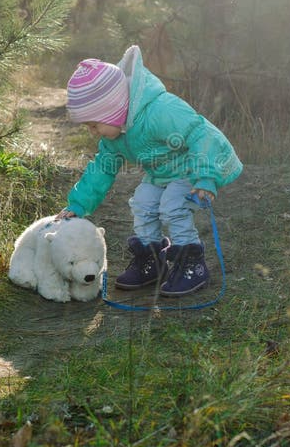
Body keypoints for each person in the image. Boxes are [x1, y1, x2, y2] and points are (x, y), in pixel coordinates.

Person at [57, 44, 242, 296]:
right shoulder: (115, 135)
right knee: (143, 203)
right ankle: (151, 261)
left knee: (172, 205)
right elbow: (102, 168)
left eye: (94, 124)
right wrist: (78, 204)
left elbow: (201, 133)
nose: (92, 132)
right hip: (161, 172)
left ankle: (191, 263)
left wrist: (206, 175)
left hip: (192, 166)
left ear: (112, 110)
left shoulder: (160, 110)